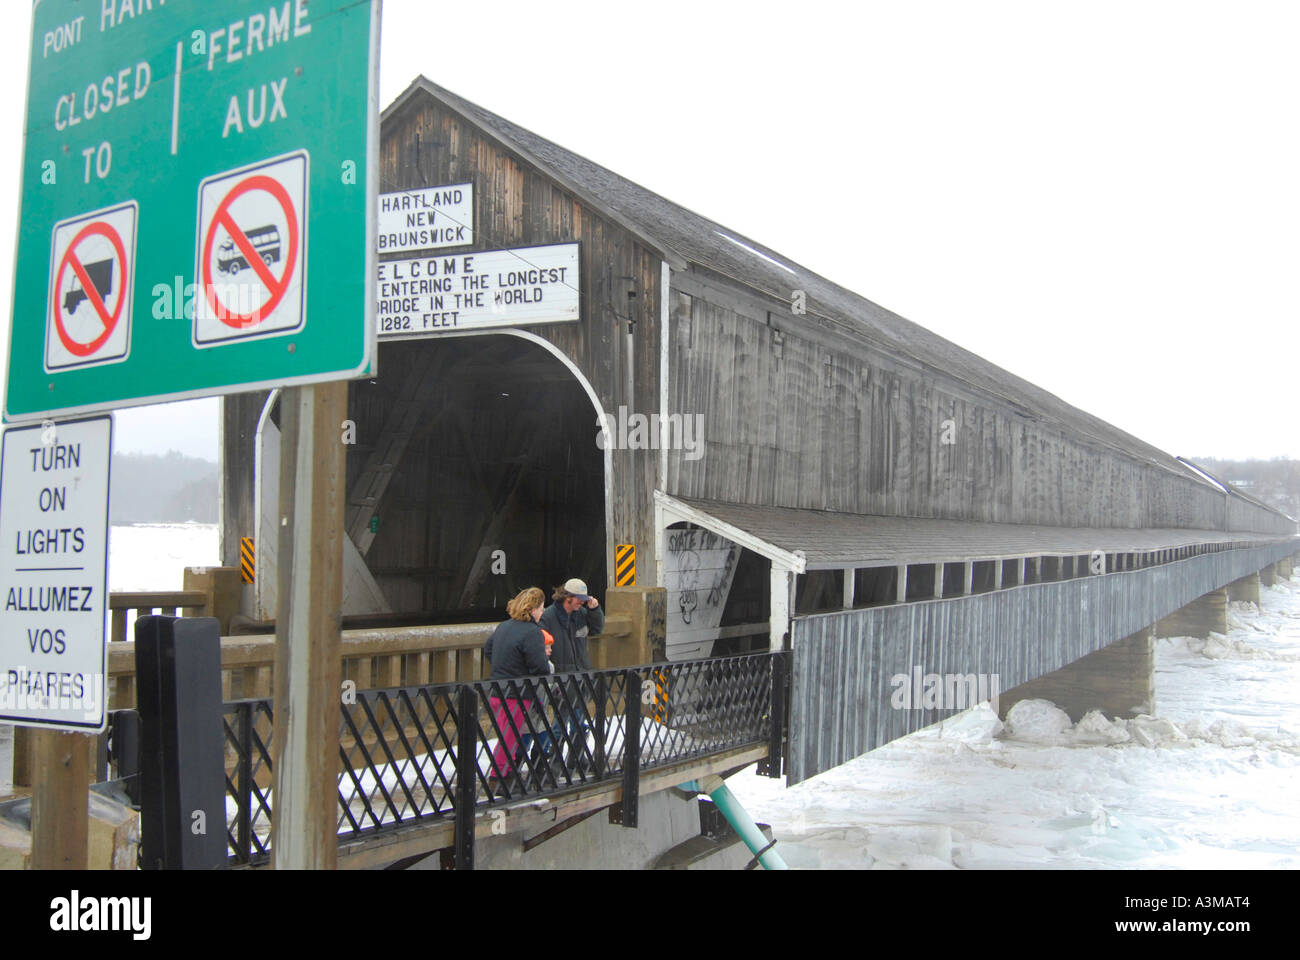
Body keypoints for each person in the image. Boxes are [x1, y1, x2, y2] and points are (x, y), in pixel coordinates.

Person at [482, 587, 552, 788]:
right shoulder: (533, 632)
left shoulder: (504, 626)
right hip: (518, 693)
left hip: (498, 690)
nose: (542, 612)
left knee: (507, 734)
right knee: (509, 738)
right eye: (540, 608)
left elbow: (488, 649)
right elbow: (539, 666)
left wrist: (503, 666)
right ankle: (499, 779)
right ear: (531, 609)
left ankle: (506, 774)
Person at [538, 577, 604, 770]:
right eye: (579, 599)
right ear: (568, 597)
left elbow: (598, 629)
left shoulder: (582, 614)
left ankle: (576, 757)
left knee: (579, 721)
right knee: (560, 722)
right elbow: (542, 642)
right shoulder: (549, 617)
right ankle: (556, 761)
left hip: (581, 674)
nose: (583, 602)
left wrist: (595, 610)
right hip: (561, 676)